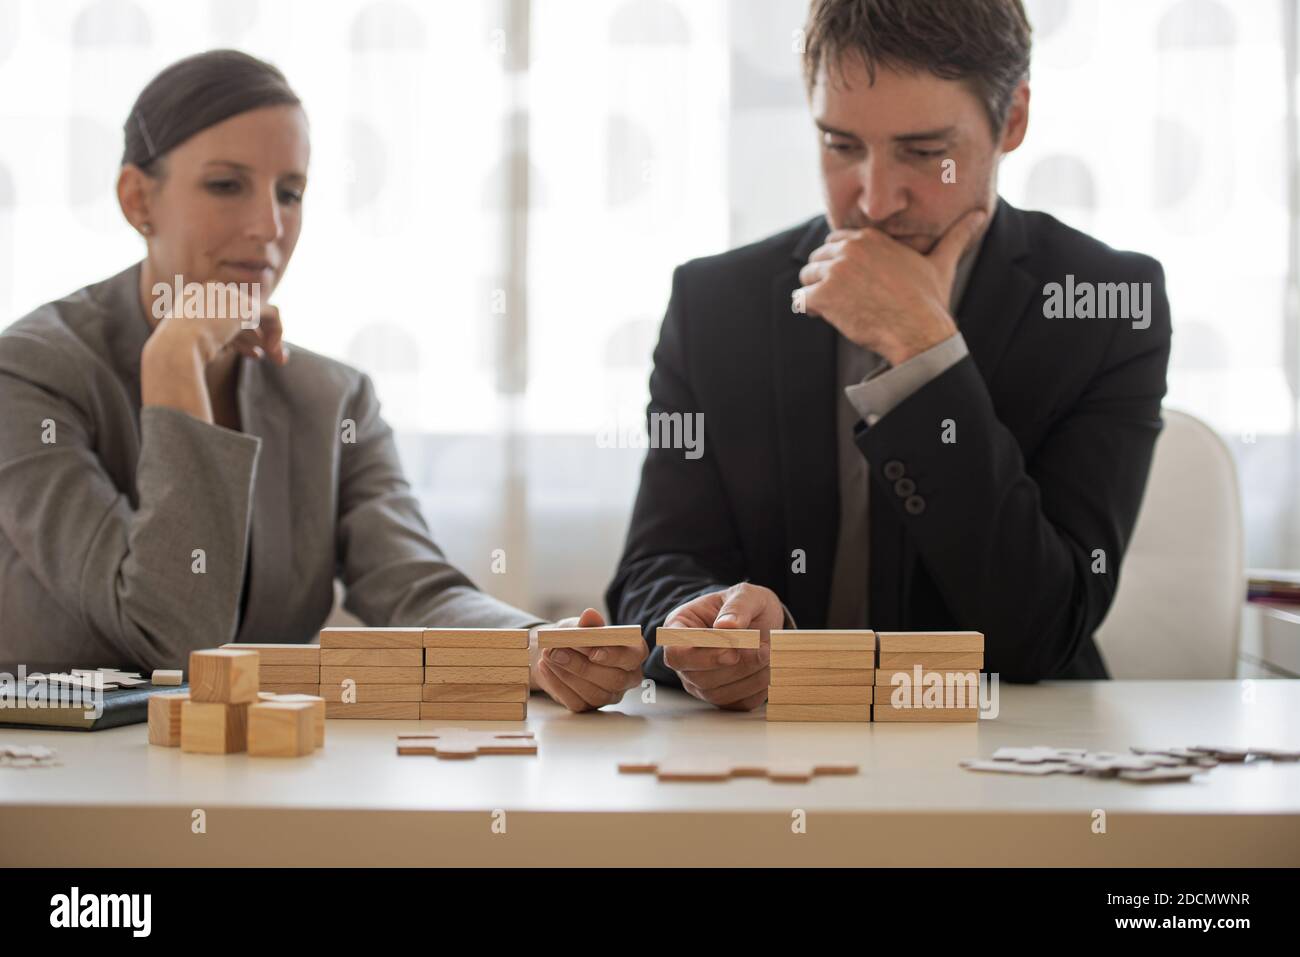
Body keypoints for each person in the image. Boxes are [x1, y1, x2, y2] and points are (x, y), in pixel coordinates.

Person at [0, 50, 645, 712]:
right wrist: (173, 364)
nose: (269, 227)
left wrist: (537, 646)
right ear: (139, 200)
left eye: (290, 192)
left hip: (268, 776)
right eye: (227, 185)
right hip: (67, 786)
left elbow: (413, 587)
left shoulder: (332, 398)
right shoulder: (29, 373)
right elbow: (175, 641)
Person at [607, 0, 1172, 709]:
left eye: (924, 152)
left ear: (1014, 121)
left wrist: (924, 353)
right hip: (766, 751)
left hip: (1006, 758)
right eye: (842, 146)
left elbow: (1043, 628)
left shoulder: (1107, 304)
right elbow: (650, 572)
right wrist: (710, 621)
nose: (874, 202)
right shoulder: (715, 303)